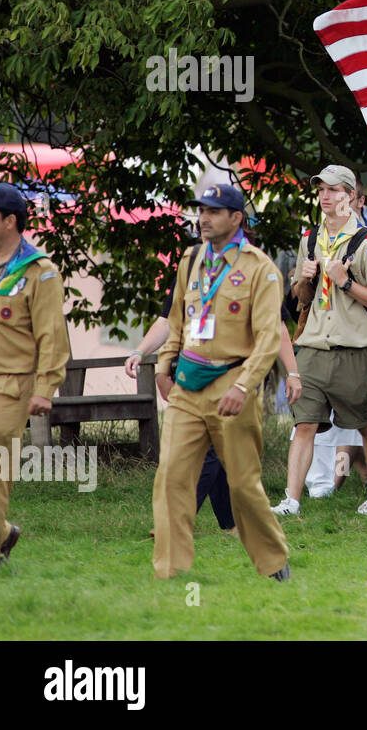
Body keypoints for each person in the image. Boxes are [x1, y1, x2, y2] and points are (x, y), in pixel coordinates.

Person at [152, 184, 290, 580]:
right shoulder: (190, 259)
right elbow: (177, 321)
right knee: (171, 477)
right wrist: (164, 365)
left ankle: (274, 561)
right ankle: (171, 571)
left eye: (213, 211)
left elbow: (268, 337)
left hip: (232, 384)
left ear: (236, 218)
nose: (204, 218)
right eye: (201, 211)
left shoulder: (260, 268)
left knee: (242, 485)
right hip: (188, 384)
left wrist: (243, 386)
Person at [127, 265, 304, 534]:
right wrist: (139, 352)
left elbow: (276, 327)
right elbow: (167, 322)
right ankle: (231, 523)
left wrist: (293, 373)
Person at [272, 165, 367, 517]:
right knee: (304, 424)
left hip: (352, 349)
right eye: (321, 190)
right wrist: (303, 280)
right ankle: (292, 500)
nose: (325, 196)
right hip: (313, 346)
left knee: (366, 425)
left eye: (333, 190)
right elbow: (301, 300)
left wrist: (346, 282)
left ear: (351, 196)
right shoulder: (310, 239)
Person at [0, 183, 69, 567]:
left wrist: (45, 388)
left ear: (9, 221)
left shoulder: (39, 272)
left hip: (11, 384)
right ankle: (3, 534)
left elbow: (51, 336)